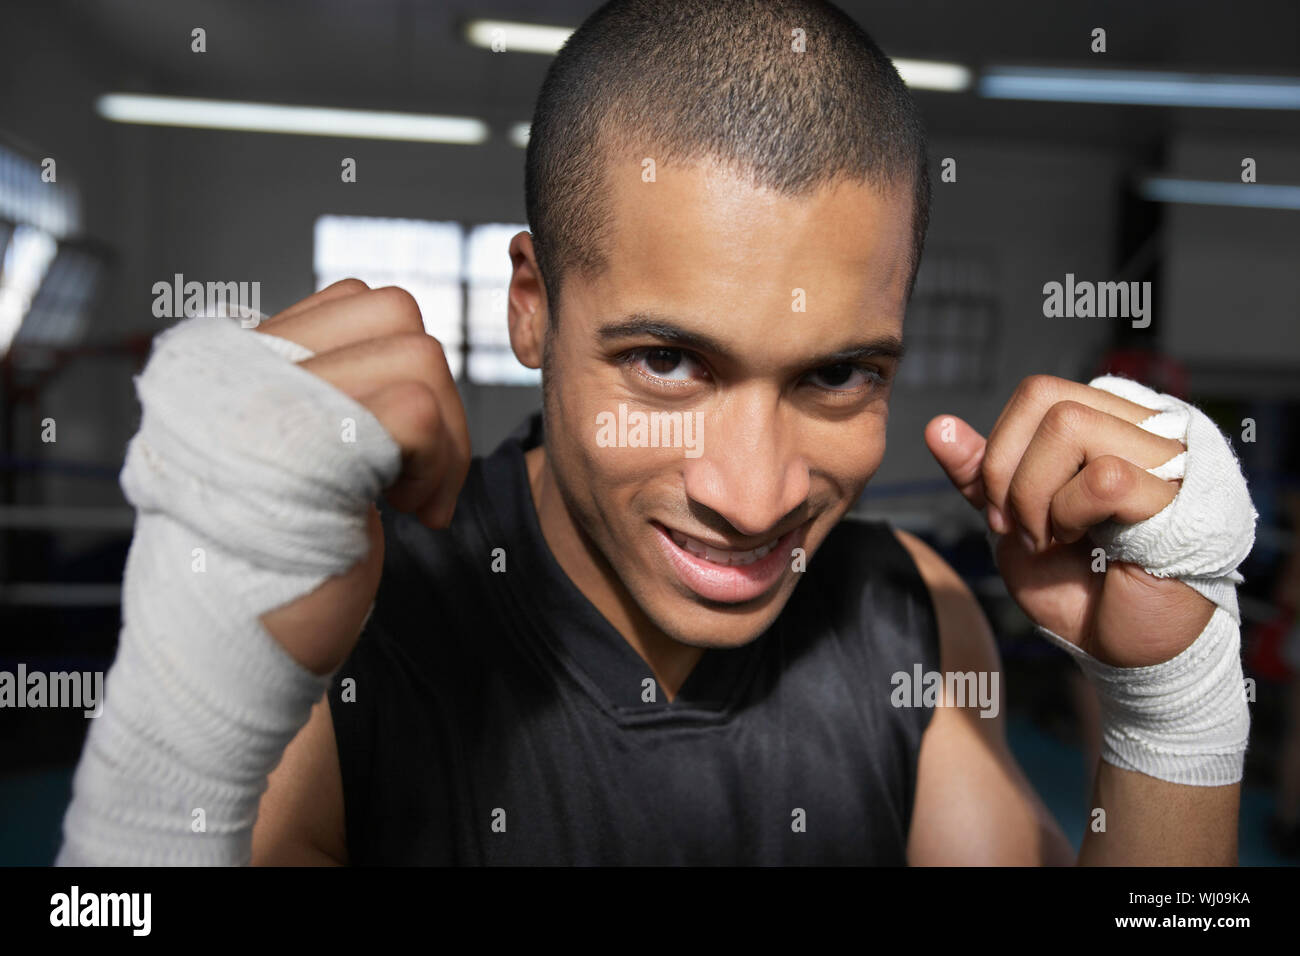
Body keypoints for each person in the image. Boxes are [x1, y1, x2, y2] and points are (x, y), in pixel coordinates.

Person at [57, 0, 1253, 867]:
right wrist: (175, 750)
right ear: (534, 305)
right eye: (666, 360)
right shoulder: (350, 624)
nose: (752, 494)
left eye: (837, 372)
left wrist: (1173, 704)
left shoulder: (910, 611)